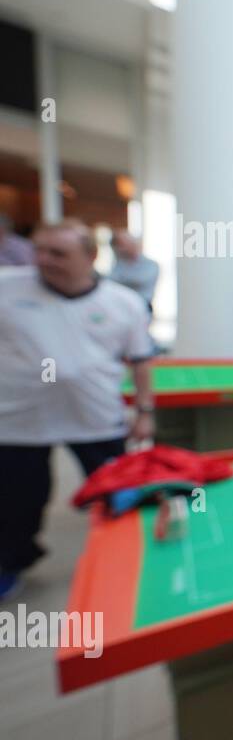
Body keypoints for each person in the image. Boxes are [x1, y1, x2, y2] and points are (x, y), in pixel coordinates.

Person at [0, 220, 155, 601]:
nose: (44, 260)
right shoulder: (7, 287)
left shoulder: (123, 303)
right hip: (18, 419)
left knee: (117, 493)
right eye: (40, 250)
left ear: (90, 256)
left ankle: (124, 562)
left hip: (95, 416)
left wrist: (145, 412)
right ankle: (11, 563)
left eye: (58, 253)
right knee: (17, 500)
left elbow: (140, 359)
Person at [107, 230, 161, 313]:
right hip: (120, 307)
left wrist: (121, 281)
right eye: (118, 245)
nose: (122, 248)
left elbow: (140, 280)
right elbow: (111, 281)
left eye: (123, 244)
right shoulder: (119, 263)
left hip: (143, 306)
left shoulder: (151, 265)